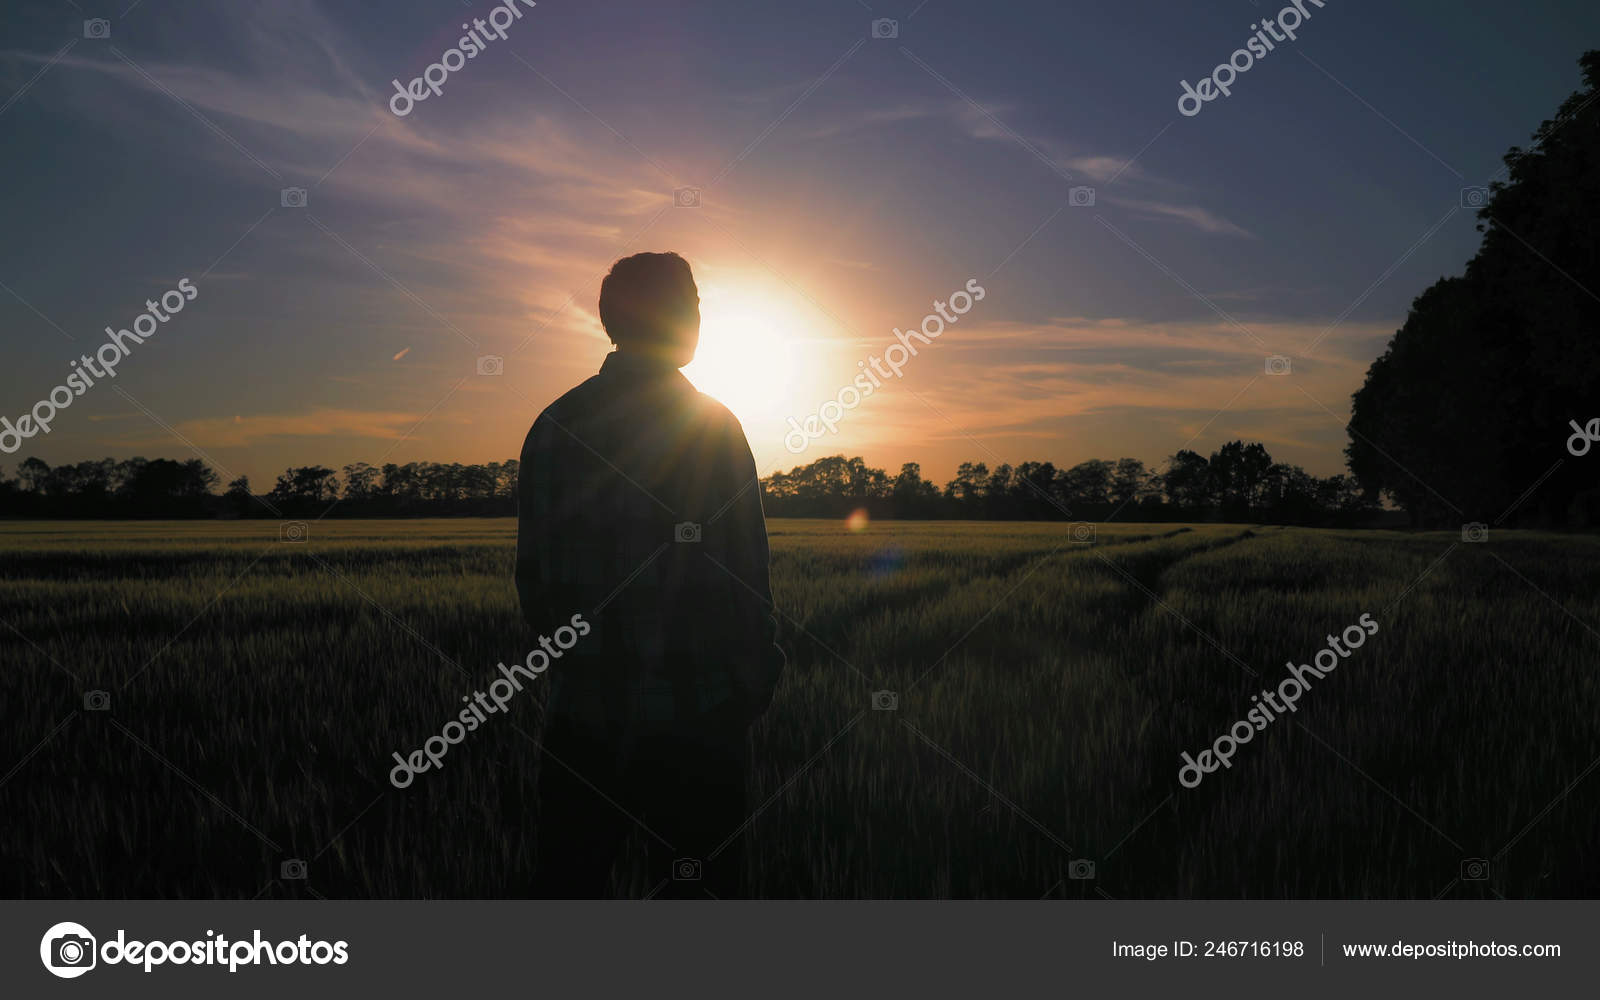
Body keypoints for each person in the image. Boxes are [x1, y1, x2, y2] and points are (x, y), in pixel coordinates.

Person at [517, 251, 785, 898]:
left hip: (584, 719)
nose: (698, 318)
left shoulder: (555, 425)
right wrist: (753, 678)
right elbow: (746, 570)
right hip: (700, 720)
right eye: (691, 305)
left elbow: (536, 579)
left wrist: (581, 667)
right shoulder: (712, 427)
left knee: (568, 893)